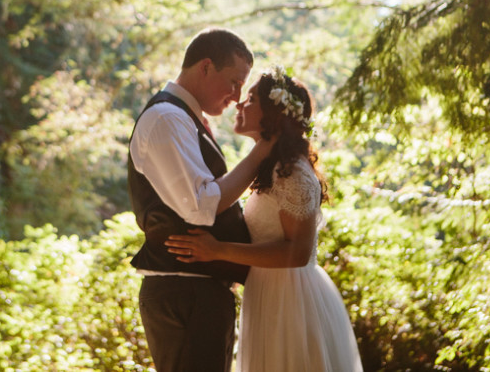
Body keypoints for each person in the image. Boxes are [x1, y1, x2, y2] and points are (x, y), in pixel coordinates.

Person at [166, 66, 363, 372]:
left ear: (275, 113)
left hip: (291, 302)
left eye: (251, 99)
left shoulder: (293, 174)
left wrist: (217, 250)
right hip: (268, 294)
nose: (239, 104)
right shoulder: (270, 168)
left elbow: (297, 253)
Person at [128, 28, 273, 372]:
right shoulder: (168, 118)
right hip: (185, 295)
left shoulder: (185, 117)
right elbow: (200, 206)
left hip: (197, 294)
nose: (237, 96)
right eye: (234, 81)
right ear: (206, 67)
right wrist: (261, 153)